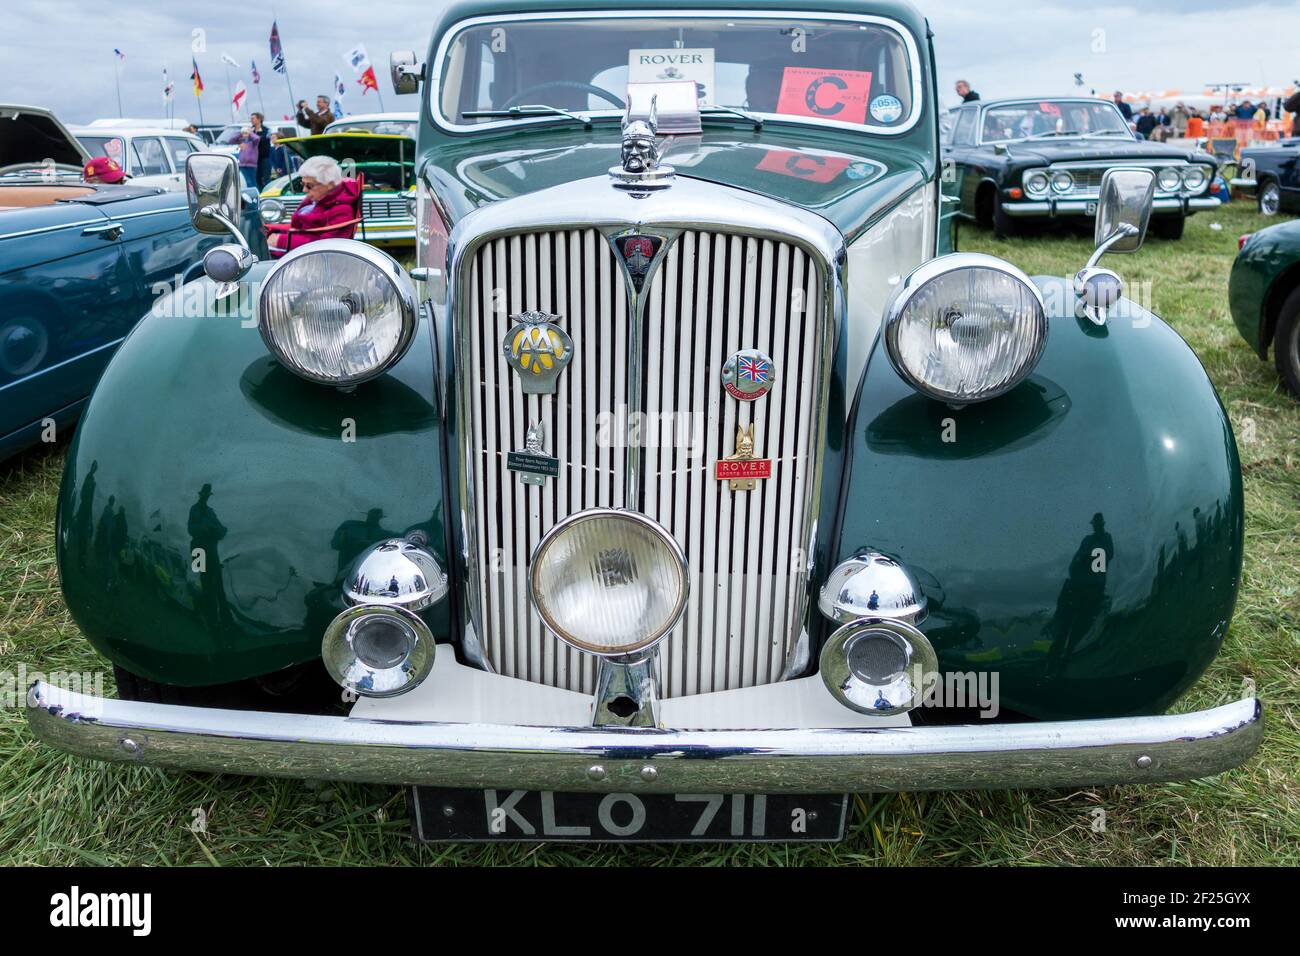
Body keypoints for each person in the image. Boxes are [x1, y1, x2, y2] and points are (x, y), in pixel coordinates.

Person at [263, 155, 360, 256]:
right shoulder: (317, 199)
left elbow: (328, 244)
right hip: (299, 253)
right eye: (302, 184)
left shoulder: (342, 210)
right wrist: (272, 230)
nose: (304, 190)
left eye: (309, 185)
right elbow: (300, 228)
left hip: (314, 261)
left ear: (330, 184)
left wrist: (280, 240)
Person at [250, 112, 273, 189]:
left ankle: (268, 195)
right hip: (254, 159)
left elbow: (263, 139)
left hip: (264, 158)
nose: (251, 120)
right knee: (256, 179)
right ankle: (259, 195)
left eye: (253, 118)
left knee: (267, 178)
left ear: (259, 119)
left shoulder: (267, 130)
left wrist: (256, 134)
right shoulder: (250, 130)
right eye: (251, 118)